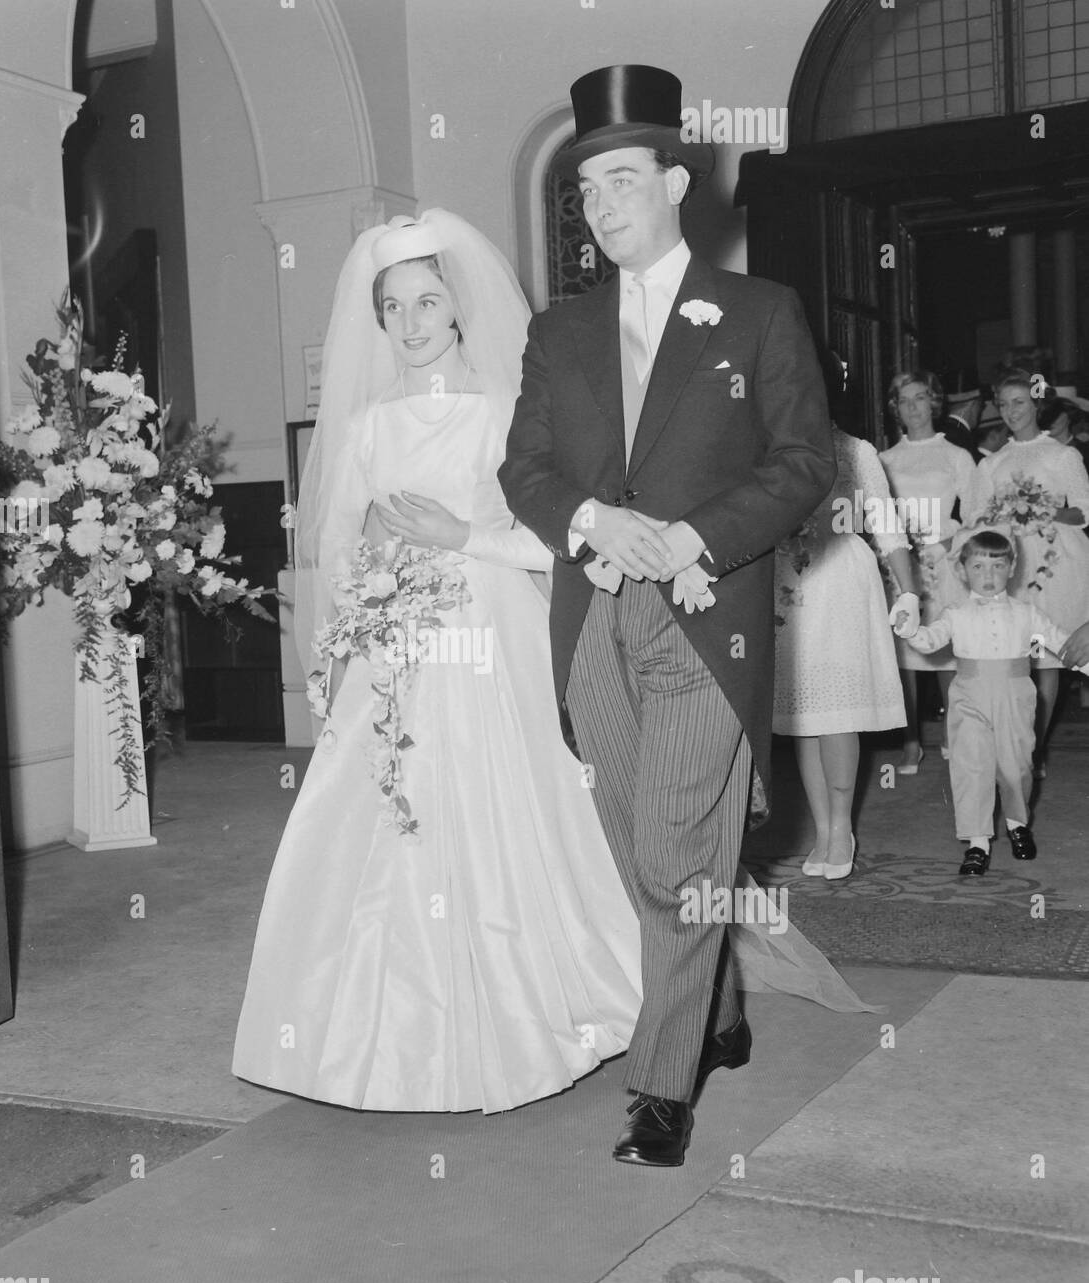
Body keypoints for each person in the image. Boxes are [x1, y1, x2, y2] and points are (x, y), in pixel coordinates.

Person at [231, 210, 865, 1117]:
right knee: (384, 828)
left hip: (499, 640)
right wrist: (355, 626)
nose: (411, 324)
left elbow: (564, 543)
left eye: (426, 301)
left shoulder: (505, 411)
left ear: (458, 307)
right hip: (398, 652)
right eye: (392, 308)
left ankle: (641, 1008)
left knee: (576, 830)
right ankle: (392, 1039)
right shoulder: (368, 429)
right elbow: (341, 552)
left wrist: (462, 539)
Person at [499, 65, 837, 1168]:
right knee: (642, 856)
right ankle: (721, 1009)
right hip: (592, 620)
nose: (601, 207)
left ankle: (662, 1086)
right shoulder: (559, 331)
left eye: (622, 180)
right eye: (586, 189)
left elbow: (803, 466)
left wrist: (693, 535)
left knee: (672, 853)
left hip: (709, 619)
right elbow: (526, 471)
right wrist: (597, 520)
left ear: (676, 181)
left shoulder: (760, 312)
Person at [774, 359, 915, 881]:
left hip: (843, 585)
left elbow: (888, 528)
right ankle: (823, 828)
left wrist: (910, 593)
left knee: (837, 710)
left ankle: (842, 827)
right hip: (790, 584)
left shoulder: (858, 453)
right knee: (804, 717)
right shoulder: (773, 456)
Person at [906, 528, 1087, 875]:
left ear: (1013, 566)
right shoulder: (955, 612)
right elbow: (930, 641)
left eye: (997, 567)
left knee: (1016, 765)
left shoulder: (1026, 612)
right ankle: (977, 842)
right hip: (969, 695)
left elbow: (1063, 645)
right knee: (971, 765)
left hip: (1015, 695)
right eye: (978, 567)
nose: (988, 576)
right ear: (962, 570)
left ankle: (1017, 822)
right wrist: (911, 630)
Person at [964, 369, 1089, 775]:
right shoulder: (992, 463)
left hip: (1055, 564)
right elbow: (974, 517)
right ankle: (1018, 740)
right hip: (1013, 565)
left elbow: (1084, 510)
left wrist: (1044, 510)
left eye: (1019, 402)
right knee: (1021, 658)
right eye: (1003, 403)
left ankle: (1032, 750)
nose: (1011, 410)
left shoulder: (1062, 455)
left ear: (1036, 403)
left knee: (1049, 658)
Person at [879, 370, 976, 771]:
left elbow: (976, 516)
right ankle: (911, 741)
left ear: (934, 402)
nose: (913, 407)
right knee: (902, 652)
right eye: (905, 400)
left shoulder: (956, 456)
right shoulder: (884, 460)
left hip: (944, 558)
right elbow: (879, 516)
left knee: (945, 648)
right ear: (896, 409)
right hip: (901, 562)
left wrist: (938, 547)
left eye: (920, 398)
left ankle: (953, 734)